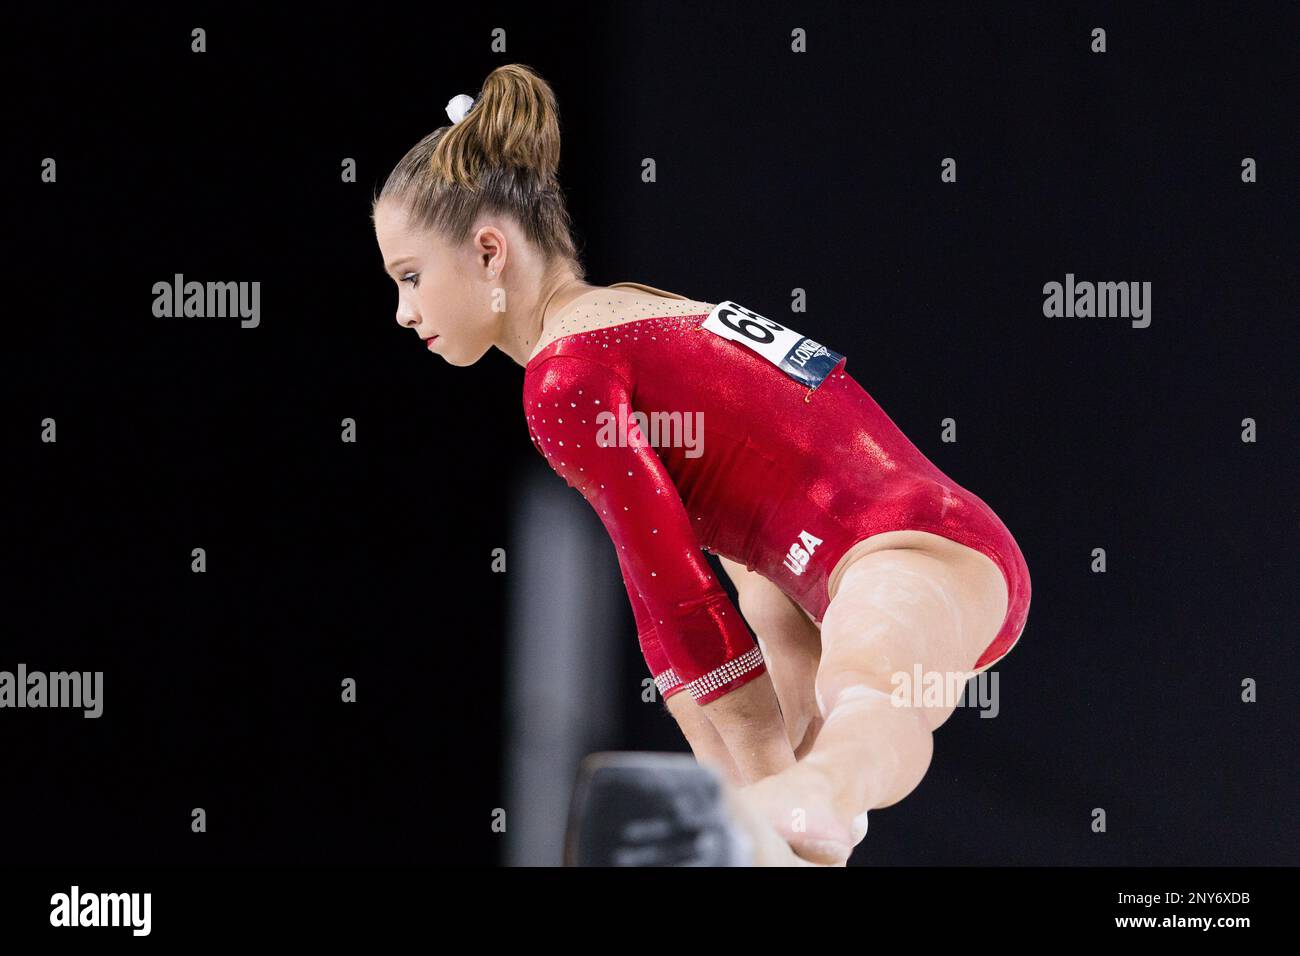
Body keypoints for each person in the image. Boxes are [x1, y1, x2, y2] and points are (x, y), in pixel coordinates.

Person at [372, 63, 1031, 866]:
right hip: (839, 575)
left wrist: (759, 779)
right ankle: (813, 804)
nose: (404, 313)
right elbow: (711, 580)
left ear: (487, 252)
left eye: (410, 278)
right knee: (812, 722)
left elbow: (676, 598)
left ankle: (824, 796)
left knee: (862, 694)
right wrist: (739, 790)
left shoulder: (564, 376)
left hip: (901, 549)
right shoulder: (634, 309)